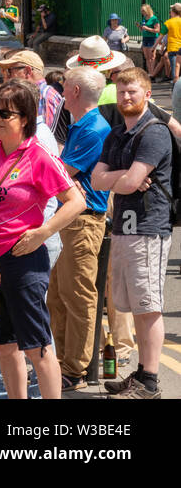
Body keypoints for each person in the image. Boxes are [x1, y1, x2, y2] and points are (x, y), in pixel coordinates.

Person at [0, 79, 84, 399]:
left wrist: (43, 232)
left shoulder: (38, 156)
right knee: (5, 346)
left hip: (23, 259)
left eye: (7, 113)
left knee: (38, 347)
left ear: (26, 118)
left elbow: (76, 202)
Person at [92, 67, 173, 398]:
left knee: (149, 305)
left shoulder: (154, 133)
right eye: (121, 91)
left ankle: (150, 382)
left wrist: (119, 177)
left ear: (147, 95)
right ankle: (141, 374)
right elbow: (97, 181)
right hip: (126, 227)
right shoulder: (116, 134)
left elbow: (116, 181)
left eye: (133, 91)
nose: (126, 96)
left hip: (149, 228)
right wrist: (125, 174)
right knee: (136, 305)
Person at [45, 64, 112, 392]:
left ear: (73, 93)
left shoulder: (91, 128)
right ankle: (60, 361)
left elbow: (62, 171)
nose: (60, 91)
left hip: (81, 222)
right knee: (58, 294)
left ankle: (76, 367)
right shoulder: (82, 124)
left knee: (78, 294)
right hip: (68, 219)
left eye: (64, 85)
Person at [138, 4, 163, 79]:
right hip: (145, 38)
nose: (142, 13)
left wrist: (147, 28)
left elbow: (157, 30)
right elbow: (143, 28)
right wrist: (141, 28)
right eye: (142, 11)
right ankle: (150, 73)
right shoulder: (144, 18)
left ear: (147, 10)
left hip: (152, 39)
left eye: (143, 11)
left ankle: (152, 74)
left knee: (152, 57)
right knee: (147, 57)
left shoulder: (154, 19)